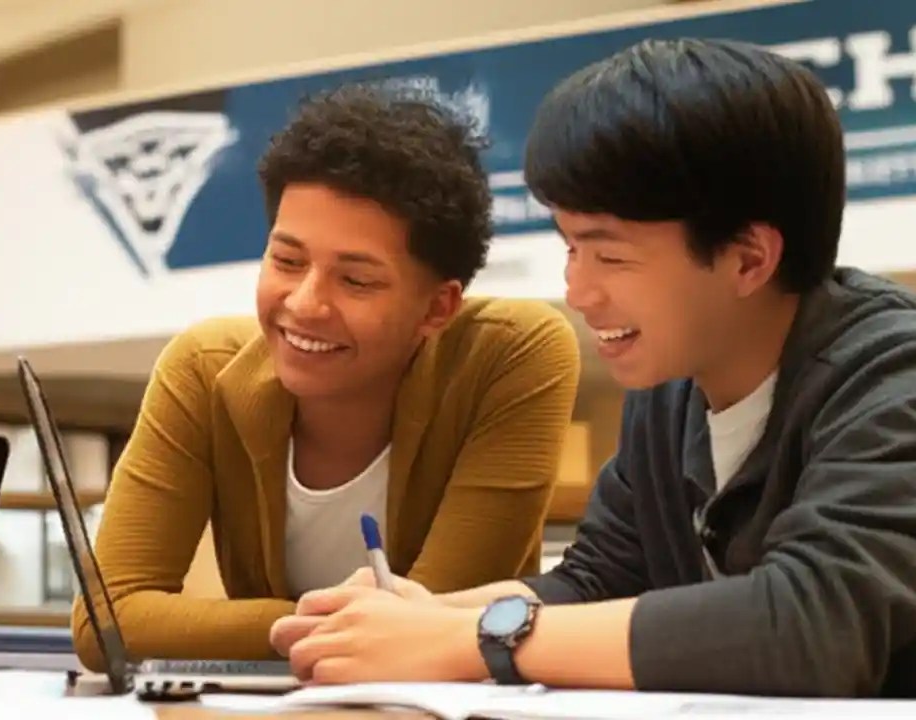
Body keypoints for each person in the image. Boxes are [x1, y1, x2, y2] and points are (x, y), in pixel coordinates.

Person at [270, 39, 916, 705]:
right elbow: (593, 582)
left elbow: (811, 626)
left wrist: (467, 641)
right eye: (570, 249)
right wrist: (426, 616)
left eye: (610, 255)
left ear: (749, 258)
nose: (578, 291)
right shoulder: (670, 392)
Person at [71, 85, 581, 666]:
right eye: (286, 261)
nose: (305, 303)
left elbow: (435, 626)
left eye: (356, 280)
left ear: (437, 308)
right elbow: (106, 620)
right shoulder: (204, 369)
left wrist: (270, 627)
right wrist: (320, 623)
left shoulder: (511, 354)